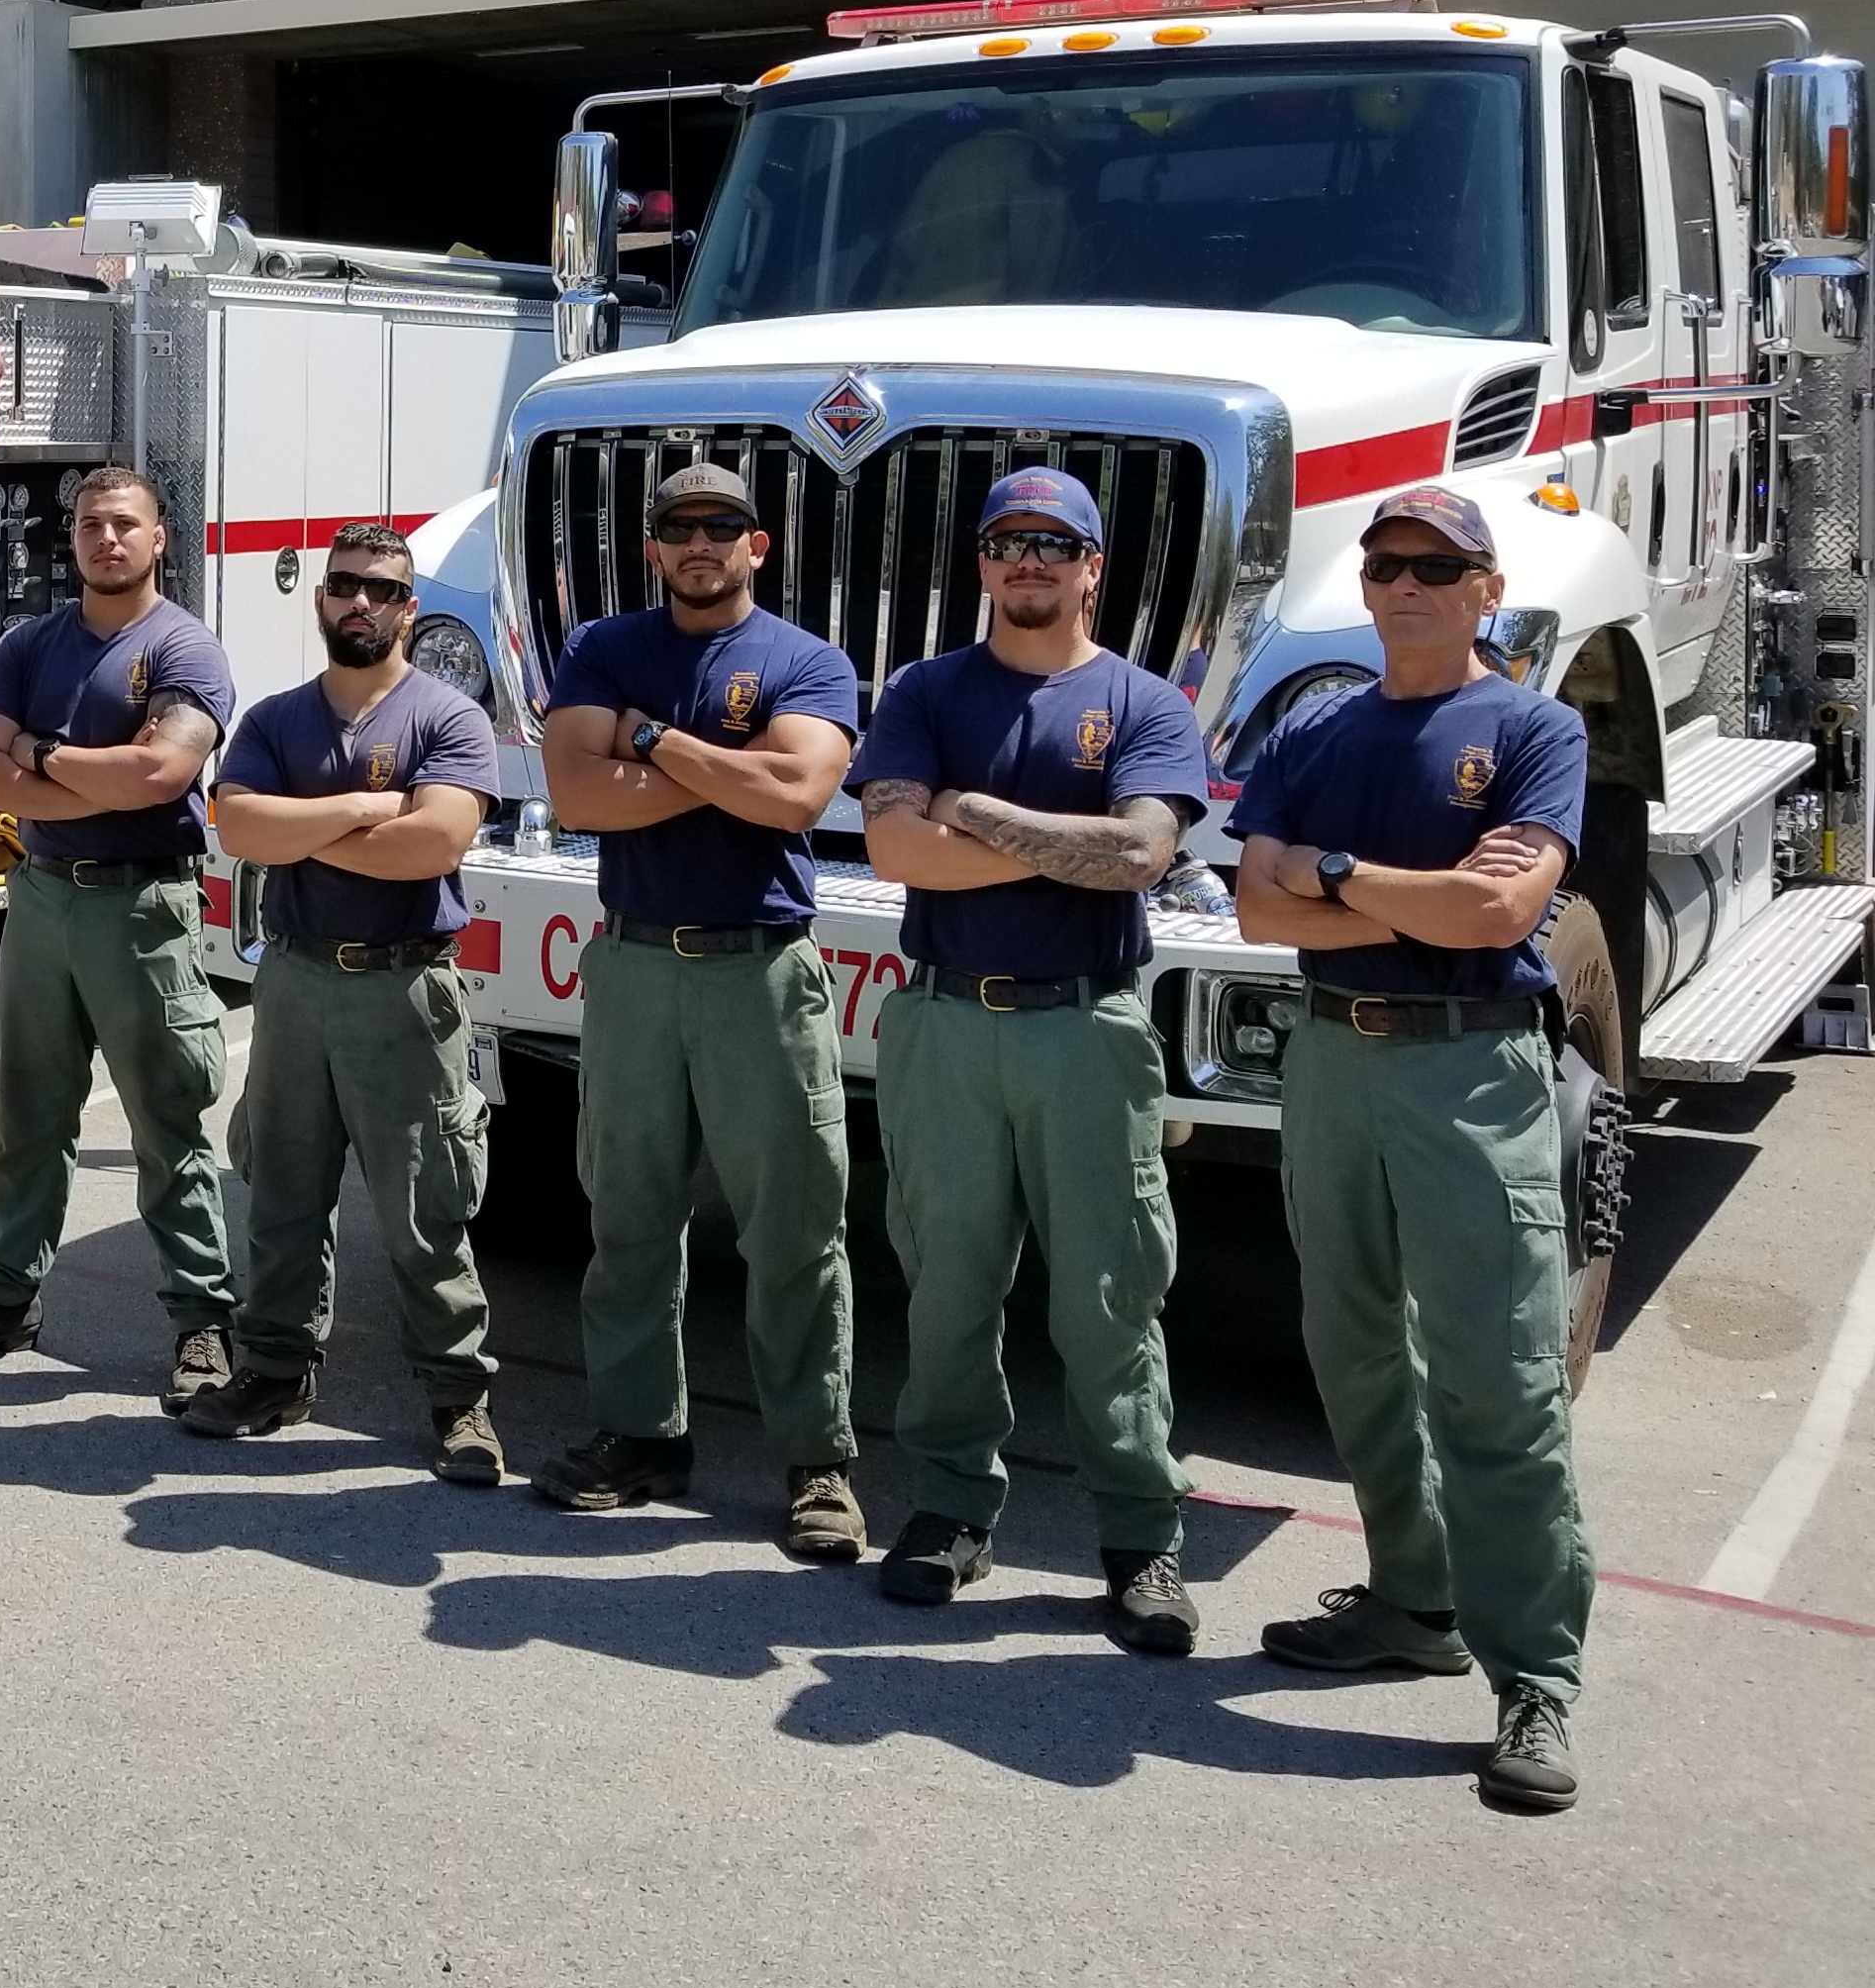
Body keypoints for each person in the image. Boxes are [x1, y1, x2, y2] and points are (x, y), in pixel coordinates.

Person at [1232, 482, 1594, 1816]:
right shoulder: (1318, 730)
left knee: (1497, 1374)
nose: (1406, 584)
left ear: (1487, 589)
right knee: (1354, 1345)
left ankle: (1536, 1680)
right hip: (1332, 1059)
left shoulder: (1533, 728)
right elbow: (1256, 919)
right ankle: (1410, 1600)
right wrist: (1398, 900)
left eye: (1438, 565)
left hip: (1470, 1064)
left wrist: (1330, 876)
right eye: (1387, 562)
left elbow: (1499, 904)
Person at [854, 468, 1211, 1649]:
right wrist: (1064, 843)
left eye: (1056, 544)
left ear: (1093, 568)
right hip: (945, 1022)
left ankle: (1140, 1540)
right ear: (982, 564)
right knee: (949, 1282)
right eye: (1009, 541)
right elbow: (897, 848)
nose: (1030, 561)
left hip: (1086, 1029)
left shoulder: (1146, 703)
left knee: (1111, 1295)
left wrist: (973, 812)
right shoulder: (925, 688)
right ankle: (951, 1510)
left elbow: (1141, 854)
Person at [537, 460, 866, 1557]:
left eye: (721, 527)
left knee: (794, 1227)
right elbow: (576, 799)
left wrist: (652, 740)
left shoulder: (807, 662)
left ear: (756, 547)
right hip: (631, 966)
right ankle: (639, 1436)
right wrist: (734, 768)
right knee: (626, 1213)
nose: (699, 544)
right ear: (652, 548)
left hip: (760, 972)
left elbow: (799, 795)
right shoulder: (603, 650)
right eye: (678, 528)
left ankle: (818, 1462)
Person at [0, 467, 241, 1408]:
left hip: (141, 911)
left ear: (160, 538)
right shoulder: (30, 644)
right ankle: (5, 1297)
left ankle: (203, 1323)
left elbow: (159, 776)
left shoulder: (184, 650)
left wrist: (41, 755)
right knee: (28, 1115)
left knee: (166, 1127)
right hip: (41, 900)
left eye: (126, 524)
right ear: (75, 538)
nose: (107, 540)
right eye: (92, 525)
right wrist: (89, 773)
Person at [188, 521, 503, 1476]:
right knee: (281, 1187)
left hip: (404, 985)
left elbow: (433, 845)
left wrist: (298, 829)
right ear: (321, 597)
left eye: (380, 589)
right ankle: (276, 1371)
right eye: (343, 585)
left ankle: (459, 1398)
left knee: (422, 1206)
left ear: (409, 608)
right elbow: (236, 825)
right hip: (293, 978)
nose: (359, 602)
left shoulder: (449, 718)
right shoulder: (278, 718)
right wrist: (370, 807)